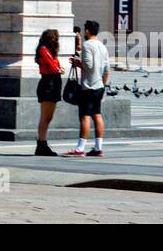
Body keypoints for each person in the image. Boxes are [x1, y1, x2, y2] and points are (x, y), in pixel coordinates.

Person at [65, 19, 110, 157]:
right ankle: (98, 147)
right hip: (99, 86)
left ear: (87, 31)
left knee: (84, 116)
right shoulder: (102, 46)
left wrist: (77, 63)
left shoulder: (87, 45)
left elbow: (89, 66)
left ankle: (80, 148)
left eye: (85, 30)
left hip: (88, 86)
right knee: (97, 115)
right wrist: (103, 84)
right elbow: (107, 69)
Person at [33, 29, 63, 158]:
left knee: (49, 117)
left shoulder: (50, 50)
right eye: (54, 39)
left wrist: (58, 68)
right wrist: (58, 69)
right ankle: (41, 144)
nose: (56, 41)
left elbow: (56, 65)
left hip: (53, 83)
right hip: (48, 84)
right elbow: (52, 67)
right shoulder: (43, 49)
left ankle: (42, 143)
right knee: (45, 117)